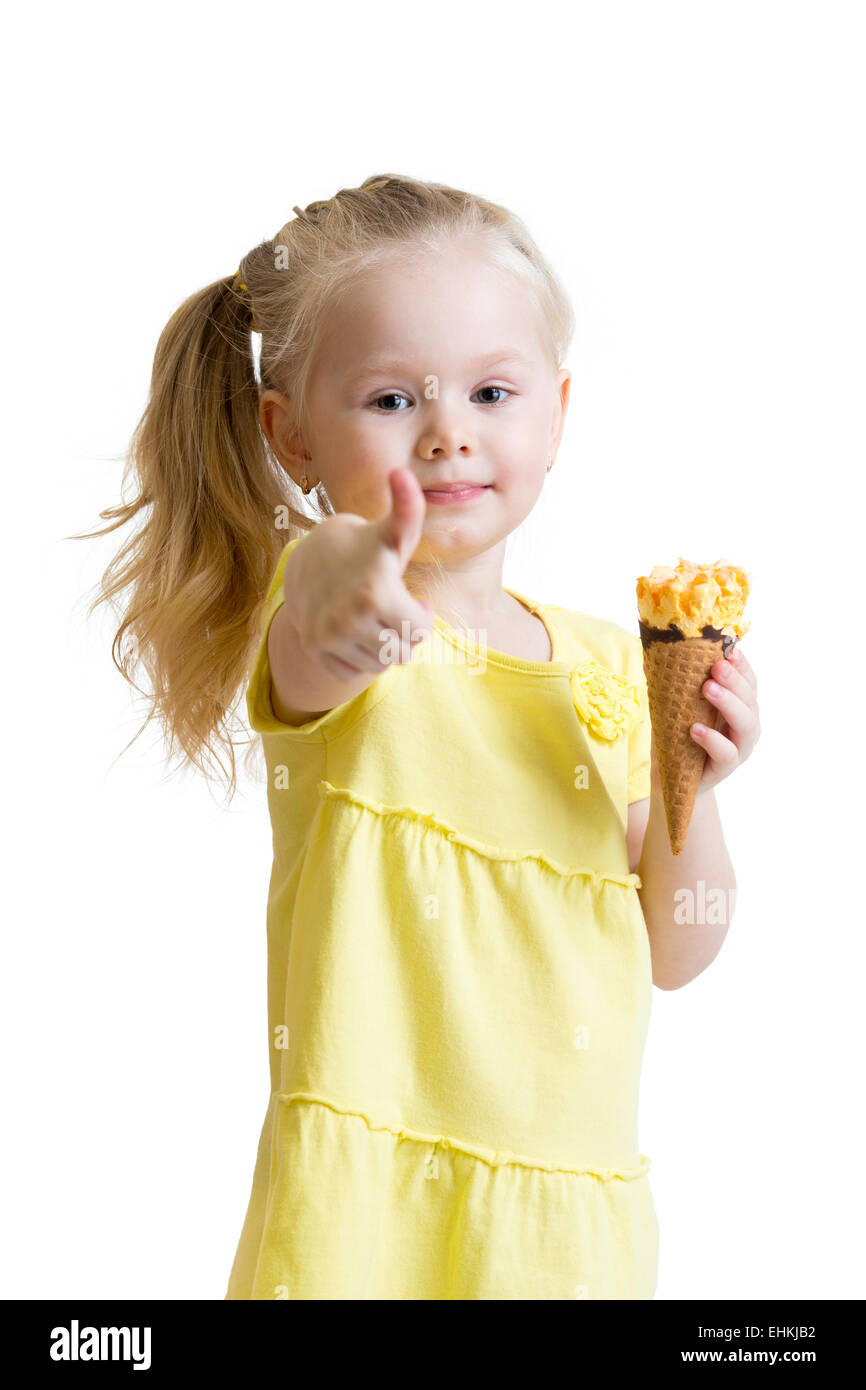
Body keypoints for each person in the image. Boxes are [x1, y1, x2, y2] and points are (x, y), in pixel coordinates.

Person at [89, 173, 760, 1299]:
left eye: (491, 391)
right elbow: (319, 617)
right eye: (393, 401)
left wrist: (697, 784)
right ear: (290, 436)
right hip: (367, 1223)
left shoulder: (608, 667)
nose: (449, 433)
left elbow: (677, 952)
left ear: (557, 410)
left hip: (566, 1229)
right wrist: (347, 582)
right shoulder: (326, 610)